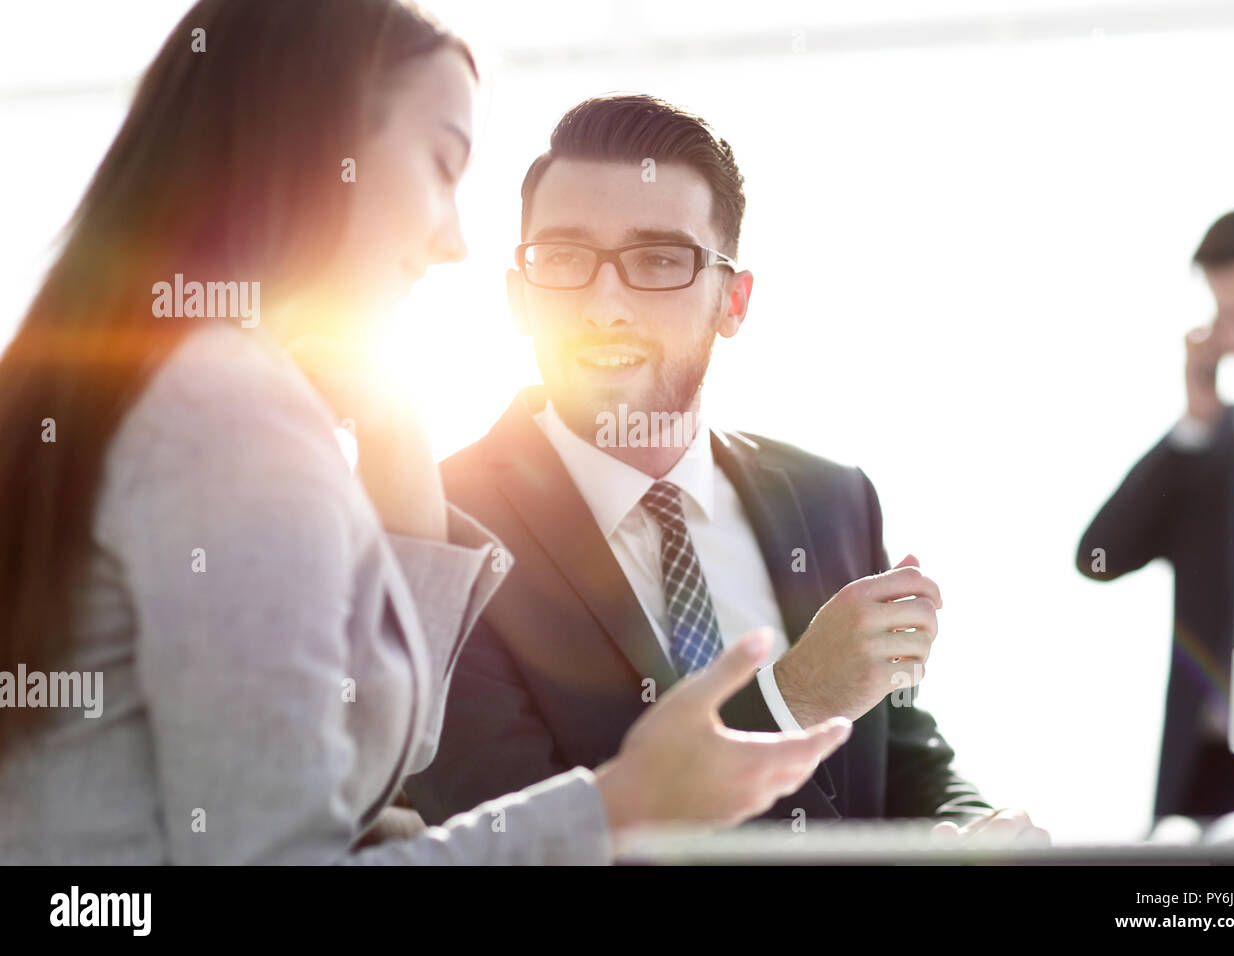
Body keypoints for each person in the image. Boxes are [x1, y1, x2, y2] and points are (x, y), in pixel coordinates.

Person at [0, 0, 853, 865]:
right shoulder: (226, 414)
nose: (451, 240)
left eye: (658, 261)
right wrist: (620, 806)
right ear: (313, 142)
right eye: (444, 165)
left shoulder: (168, 383)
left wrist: (397, 448)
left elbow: (365, 763)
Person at [404, 94, 1046, 843]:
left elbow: (906, 757)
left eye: (658, 260)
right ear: (519, 297)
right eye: (566, 260)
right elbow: (507, 838)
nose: (604, 305)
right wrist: (795, 698)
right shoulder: (432, 531)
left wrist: (973, 831)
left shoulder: (832, 498)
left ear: (733, 302)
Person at [1077, 205, 1234, 819]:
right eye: (1226, 318)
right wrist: (1198, 418)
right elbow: (1100, 556)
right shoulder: (1214, 444)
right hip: (1202, 773)